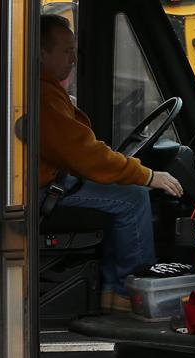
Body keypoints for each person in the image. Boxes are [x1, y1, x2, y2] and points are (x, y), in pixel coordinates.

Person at [37, 14, 184, 312]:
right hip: (42, 191)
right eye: (66, 51)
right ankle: (130, 294)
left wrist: (126, 170)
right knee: (133, 197)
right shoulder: (41, 94)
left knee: (123, 190)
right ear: (42, 54)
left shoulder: (45, 88)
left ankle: (111, 291)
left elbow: (80, 150)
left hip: (49, 181)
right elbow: (82, 152)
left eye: (75, 51)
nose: (73, 60)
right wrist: (145, 175)